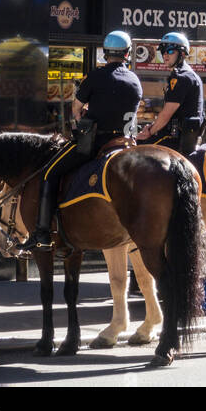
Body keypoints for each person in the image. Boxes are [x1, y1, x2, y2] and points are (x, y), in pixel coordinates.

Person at [25, 30, 142, 250]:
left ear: (106, 53)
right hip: (126, 143)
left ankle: (42, 232)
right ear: (127, 54)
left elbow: (76, 108)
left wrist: (79, 120)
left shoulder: (96, 76)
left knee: (49, 173)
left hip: (95, 143)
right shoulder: (135, 80)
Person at [136, 31, 205, 156]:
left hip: (176, 138)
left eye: (170, 50)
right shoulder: (187, 74)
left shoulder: (181, 77)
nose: (165, 55)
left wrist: (150, 131)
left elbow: (166, 114)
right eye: (163, 51)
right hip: (181, 134)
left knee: (137, 150)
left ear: (182, 53)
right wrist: (152, 126)